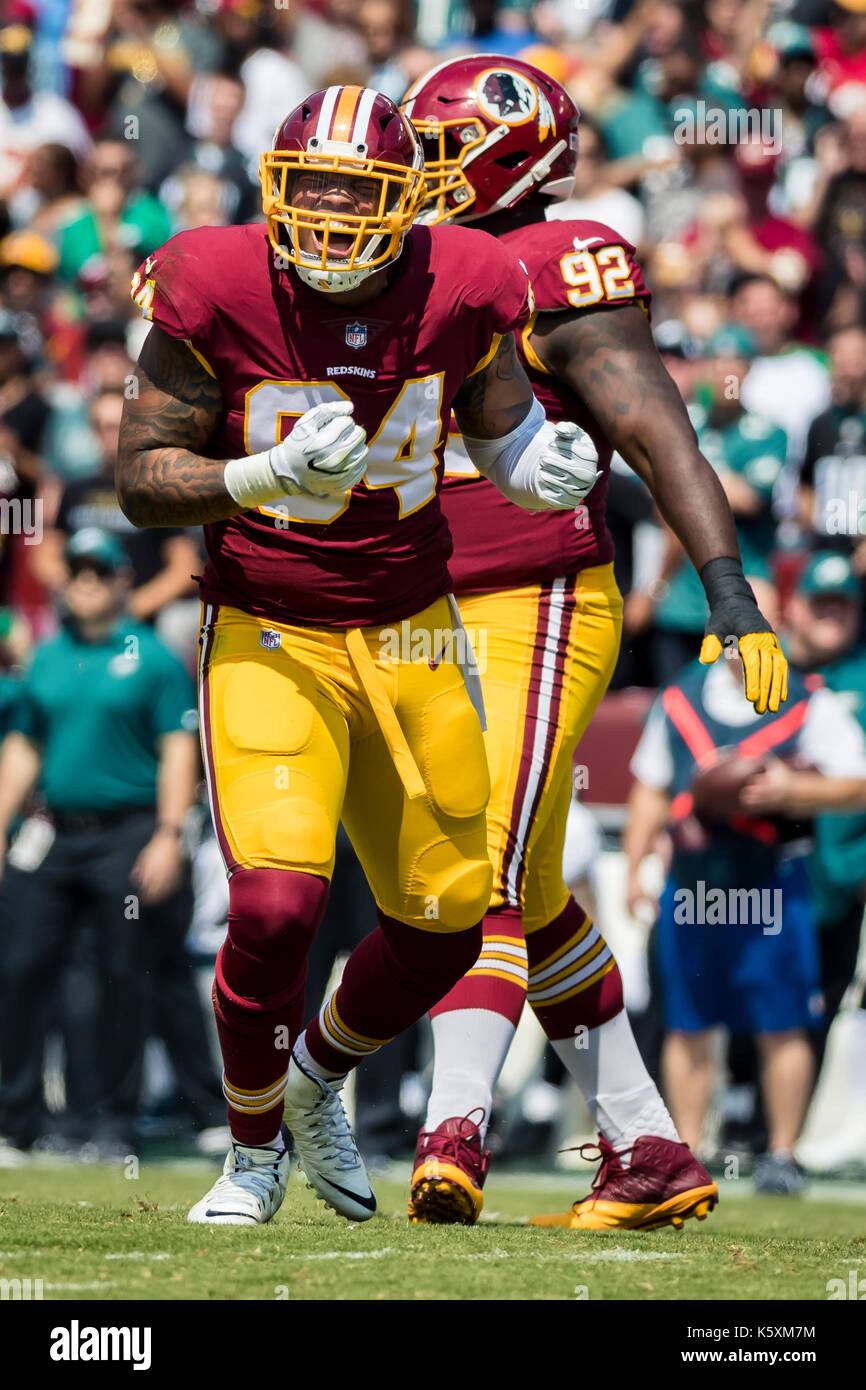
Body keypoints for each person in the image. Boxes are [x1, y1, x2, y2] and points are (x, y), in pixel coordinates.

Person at [115, 84, 602, 1227]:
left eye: (357, 193)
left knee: (446, 918)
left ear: (407, 197)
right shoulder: (211, 278)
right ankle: (247, 1155)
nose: (332, 218)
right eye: (313, 190)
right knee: (277, 907)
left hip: (412, 622)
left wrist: (541, 465)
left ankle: (316, 1079)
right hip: (269, 623)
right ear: (276, 190)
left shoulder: (462, 281)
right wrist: (257, 478)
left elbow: (497, 424)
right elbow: (139, 477)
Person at [400, 53, 787, 1229]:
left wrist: (727, 588)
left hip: (540, 595)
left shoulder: (556, 262)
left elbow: (658, 428)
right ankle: (651, 1148)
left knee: (483, 871)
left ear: (508, 156)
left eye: (437, 149)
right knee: (524, 883)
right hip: (419, 611)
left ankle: (449, 1124)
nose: (415, 171)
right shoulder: (403, 261)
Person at [625, 624, 866, 1194]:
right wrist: (636, 864)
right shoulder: (680, 697)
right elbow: (650, 786)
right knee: (688, 1021)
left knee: (783, 1021)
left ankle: (782, 1152)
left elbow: (857, 783)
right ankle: (688, 1150)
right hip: (695, 882)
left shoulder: (810, 700)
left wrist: (790, 790)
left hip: (771, 880)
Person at [0, 527, 200, 1160]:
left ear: (121, 580)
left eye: (99, 570)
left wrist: (169, 835)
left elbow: (177, 748)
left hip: (130, 831)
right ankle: (16, 1121)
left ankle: (114, 1122)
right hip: (55, 833)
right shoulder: (50, 657)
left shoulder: (153, 658)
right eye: (77, 570)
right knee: (23, 968)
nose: (85, 581)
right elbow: (25, 747)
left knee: (122, 973)